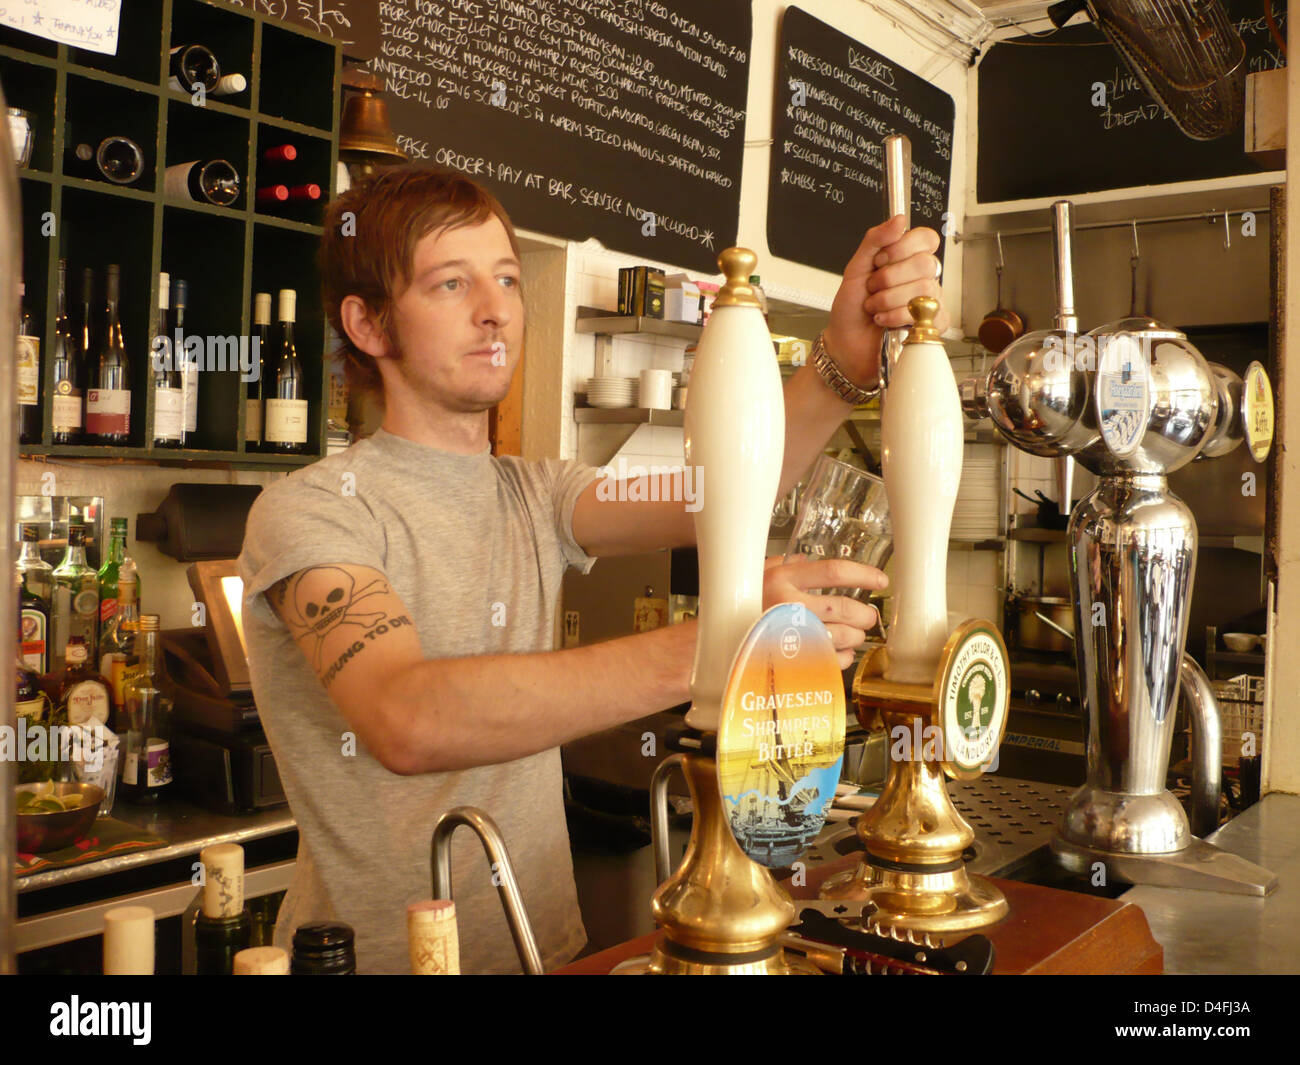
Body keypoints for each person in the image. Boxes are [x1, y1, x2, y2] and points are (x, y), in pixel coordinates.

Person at [237, 165, 945, 974]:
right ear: (366, 324)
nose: (495, 307)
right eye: (450, 283)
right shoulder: (312, 510)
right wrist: (722, 644)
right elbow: (407, 717)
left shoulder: (540, 493)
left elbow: (730, 479)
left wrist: (844, 350)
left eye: (506, 277)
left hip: (549, 955)